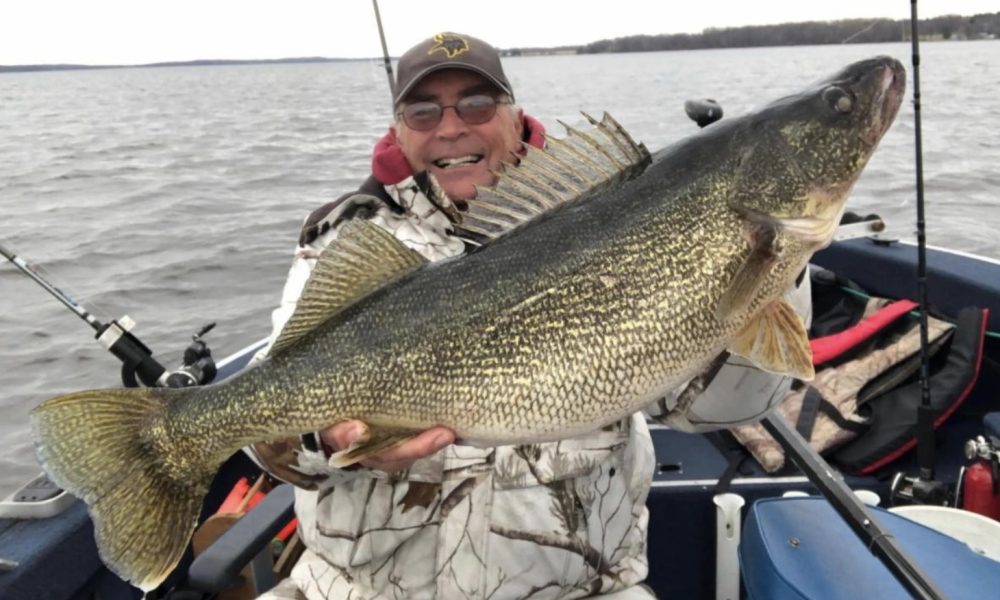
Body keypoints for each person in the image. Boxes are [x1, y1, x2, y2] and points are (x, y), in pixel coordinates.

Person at [249, 31, 809, 600]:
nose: (450, 127)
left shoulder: (613, 213)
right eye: (422, 110)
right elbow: (266, 430)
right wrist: (323, 435)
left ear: (516, 117)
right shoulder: (348, 240)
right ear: (396, 129)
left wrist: (777, 269)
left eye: (476, 103)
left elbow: (721, 408)